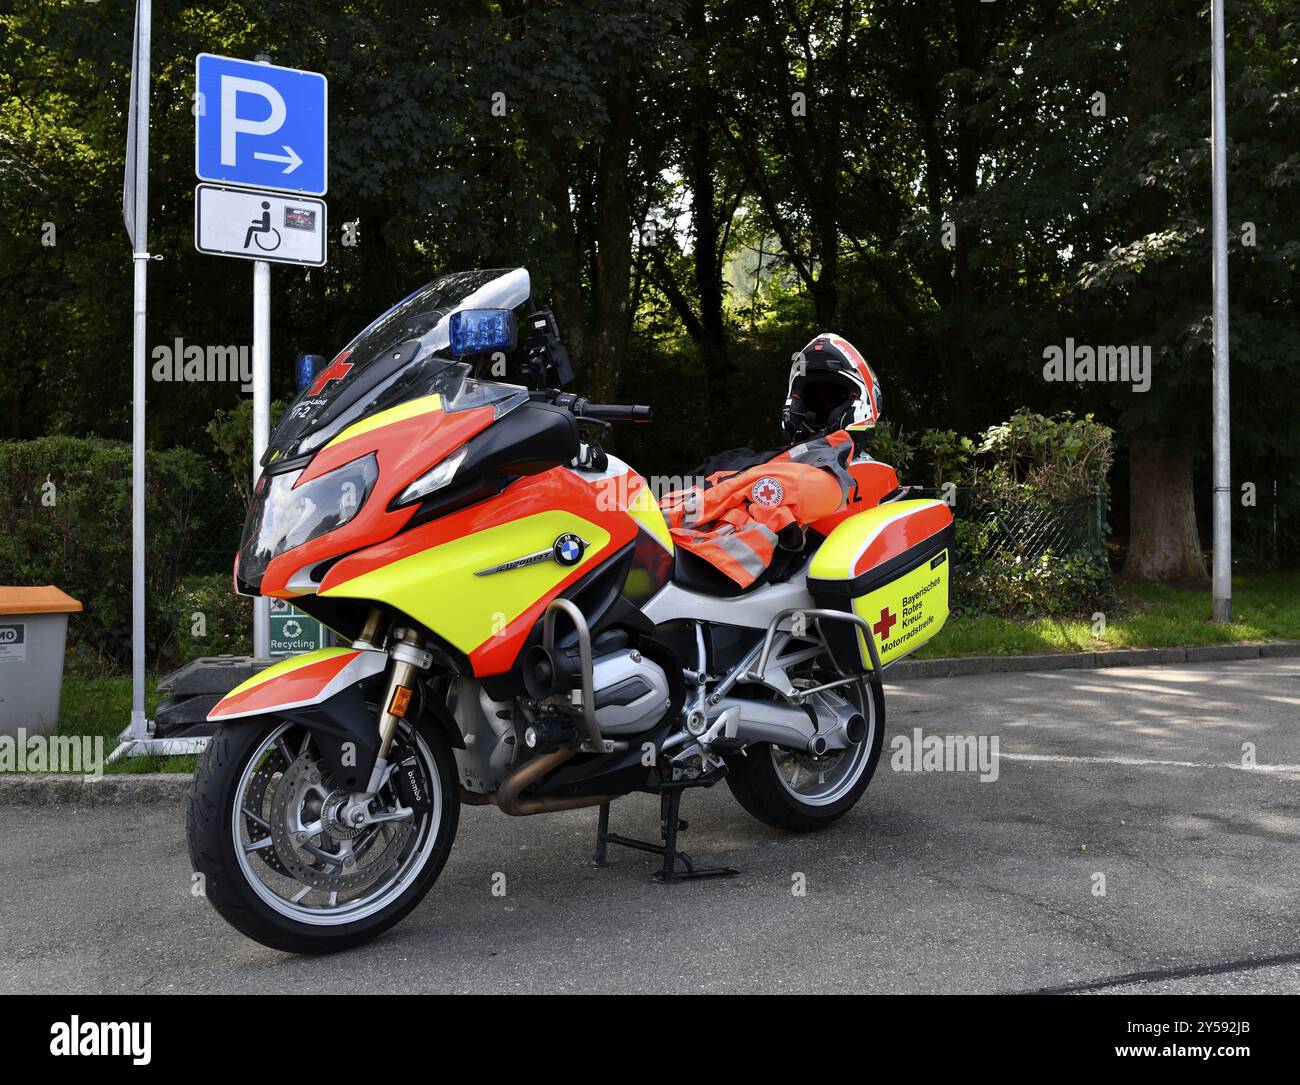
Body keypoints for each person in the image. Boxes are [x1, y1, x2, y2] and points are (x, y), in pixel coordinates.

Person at [660, 333, 882, 589]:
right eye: (805, 400)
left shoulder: (829, 473)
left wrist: (662, 516)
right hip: (675, 552)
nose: (809, 412)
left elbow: (772, 489)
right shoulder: (745, 458)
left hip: (711, 570)